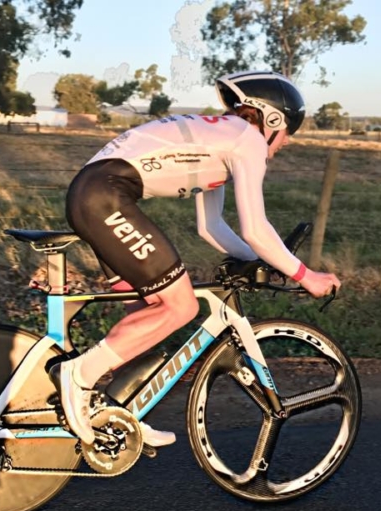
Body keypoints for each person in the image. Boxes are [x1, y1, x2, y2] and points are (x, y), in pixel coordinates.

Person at [52, 71, 341, 448]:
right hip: (105, 197)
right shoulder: (247, 140)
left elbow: (212, 227)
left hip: (94, 195)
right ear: (271, 119)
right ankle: (76, 377)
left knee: (149, 317)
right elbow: (255, 228)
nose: (285, 142)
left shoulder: (221, 137)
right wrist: (305, 275)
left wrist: (257, 261)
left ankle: (114, 414)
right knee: (181, 306)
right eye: (288, 131)